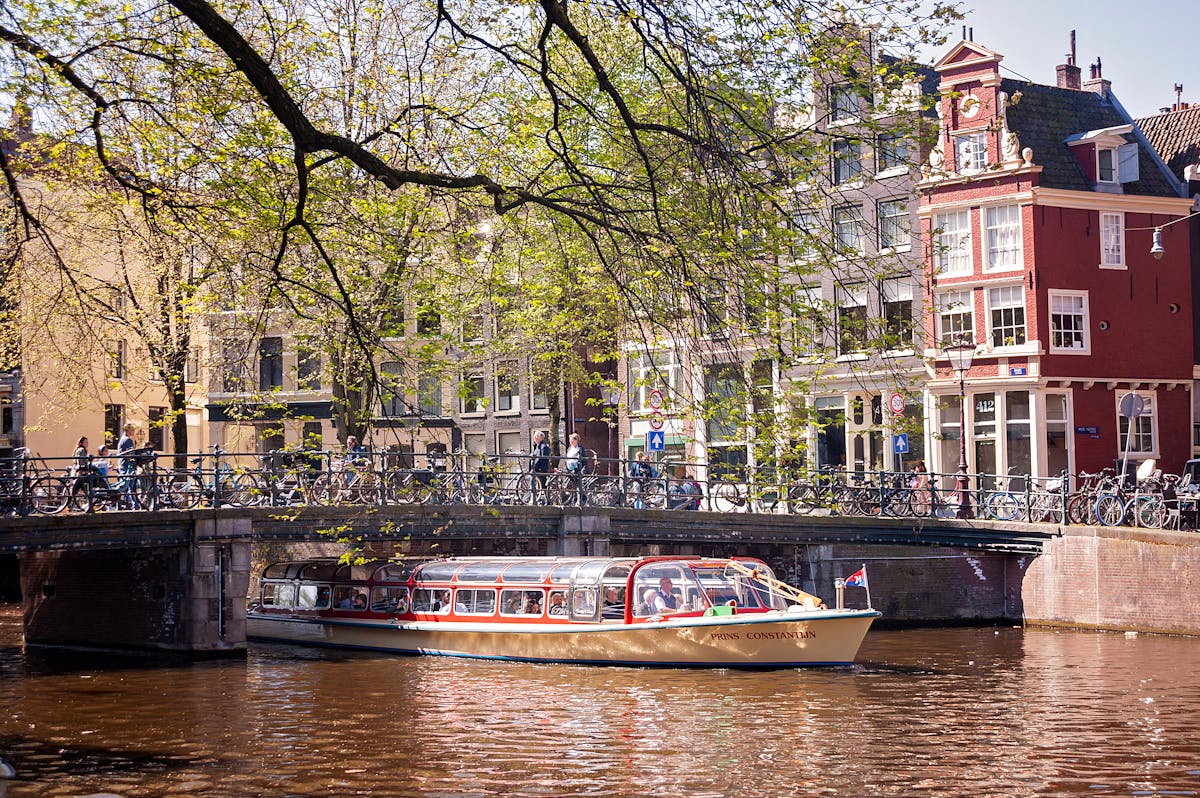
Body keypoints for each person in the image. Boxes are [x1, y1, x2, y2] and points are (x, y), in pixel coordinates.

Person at [117, 423, 138, 509]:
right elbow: (131, 453)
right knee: (129, 485)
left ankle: (126, 504)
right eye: (132, 430)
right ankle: (134, 505)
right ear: (128, 430)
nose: (133, 432)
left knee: (126, 486)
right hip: (127, 466)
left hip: (122, 464)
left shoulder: (122, 439)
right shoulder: (127, 440)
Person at [564, 433, 587, 507]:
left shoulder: (580, 448)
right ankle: (577, 500)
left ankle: (580, 500)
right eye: (570, 441)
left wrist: (583, 469)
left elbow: (584, 460)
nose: (571, 442)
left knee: (577, 485)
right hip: (570, 469)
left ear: (576, 440)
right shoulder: (569, 449)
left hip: (577, 469)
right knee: (572, 486)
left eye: (572, 440)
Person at [531, 431, 551, 505]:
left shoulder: (544, 446)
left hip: (540, 469)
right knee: (536, 484)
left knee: (543, 485)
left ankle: (547, 501)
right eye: (535, 436)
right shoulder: (537, 446)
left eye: (537, 436)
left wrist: (537, 466)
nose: (535, 437)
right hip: (536, 469)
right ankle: (535, 499)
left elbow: (543, 458)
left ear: (541, 437)